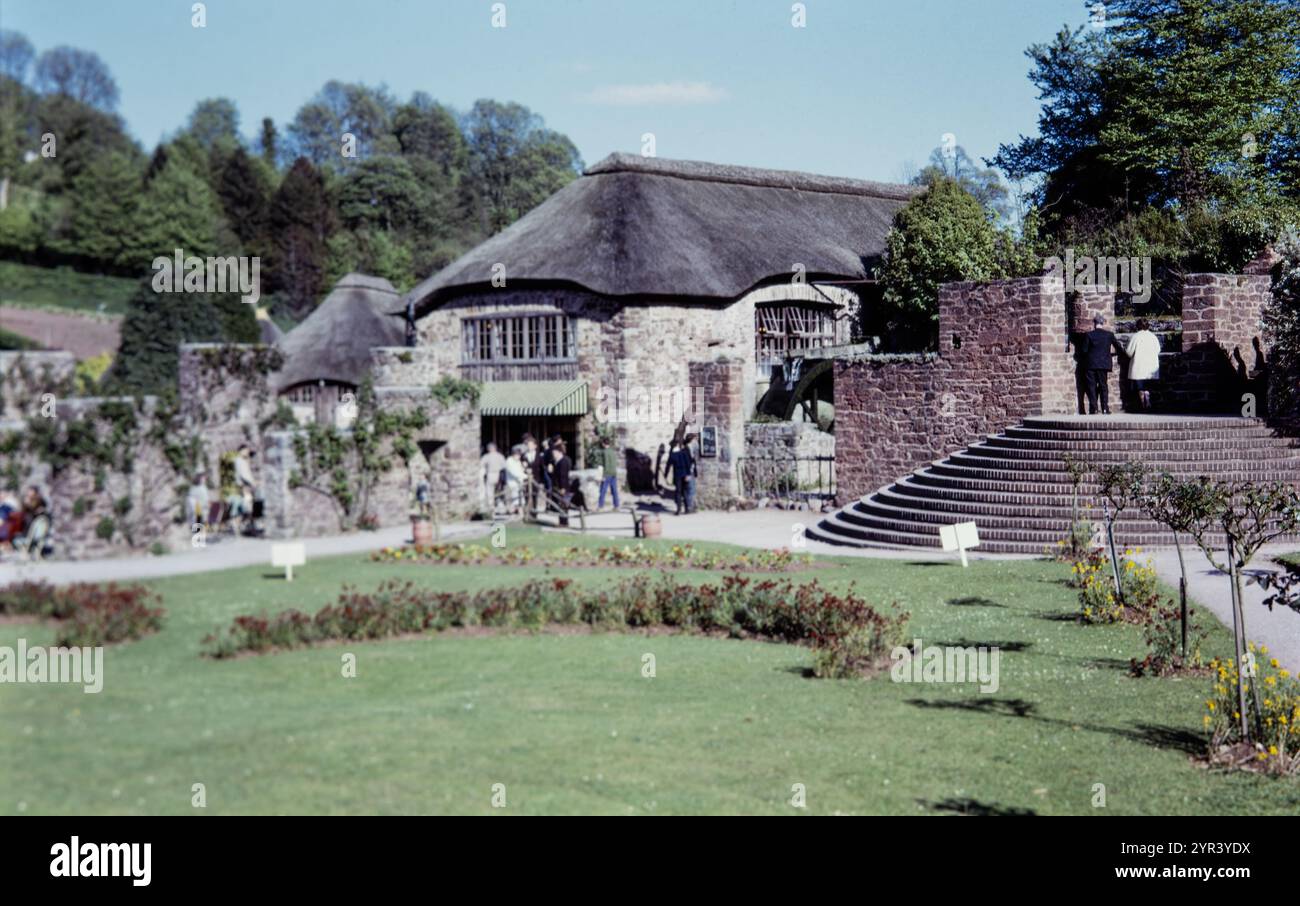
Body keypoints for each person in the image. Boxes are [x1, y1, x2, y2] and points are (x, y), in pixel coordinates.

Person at [1083, 314, 1125, 415]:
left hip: (1091, 364)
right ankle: (1105, 408)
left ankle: (1093, 409)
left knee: (1092, 386)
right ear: (1103, 323)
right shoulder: (1109, 335)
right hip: (1104, 364)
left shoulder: (1089, 335)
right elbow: (1118, 347)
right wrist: (1113, 354)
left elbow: (1084, 350)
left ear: (1094, 323)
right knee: (1103, 386)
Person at [1125, 317, 1161, 411]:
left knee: (1140, 387)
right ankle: (1148, 401)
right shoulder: (1153, 337)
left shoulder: (1135, 337)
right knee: (1147, 387)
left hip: (1139, 366)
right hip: (1151, 367)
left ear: (1138, 326)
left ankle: (1142, 403)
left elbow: (1129, 352)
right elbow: (1158, 350)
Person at [665, 439, 695, 515]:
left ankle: (678, 509)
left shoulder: (672, 454)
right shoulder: (684, 452)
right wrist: (688, 474)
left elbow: (668, 465)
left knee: (678, 492)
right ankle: (687, 508)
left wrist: (666, 474)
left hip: (677, 475)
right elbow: (688, 463)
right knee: (684, 491)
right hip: (685, 474)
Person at [550, 442, 573, 526]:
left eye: (554, 453)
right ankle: (562, 521)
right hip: (559, 486)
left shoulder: (563, 462)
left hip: (563, 487)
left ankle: (564, 522)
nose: (553, 454)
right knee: (561, 505)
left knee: (564, 505)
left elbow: (563, 476)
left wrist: (563, 488)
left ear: (559, 452)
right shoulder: (557, 462)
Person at [480, 442, 506, 512]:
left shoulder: (487, 456)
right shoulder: (500, 456)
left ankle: (491, 506)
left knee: (490, 490)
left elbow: (481, 464)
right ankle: (499, 505)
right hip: (498, 473)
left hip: (491, 474)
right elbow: (504, 465)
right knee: (498, 490)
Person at [597, 435, 620, 510]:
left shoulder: (605, 452)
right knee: (614, 490)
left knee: (602, 491)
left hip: (607, 474)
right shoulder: (612, 451)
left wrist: (603, 475)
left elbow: (606, 464)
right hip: (614, 473)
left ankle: (601, 507)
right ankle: (616, 506)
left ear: (603, 443)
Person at [504, 446, 526, 514]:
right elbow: (514, 473)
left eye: (519, 455)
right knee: (516, 499)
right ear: (513, 454)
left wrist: (524, 468)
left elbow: (521, 470)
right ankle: (515, 513)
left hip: (519, 483)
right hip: (513, 483)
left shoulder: (518, 461)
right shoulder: (509, 461)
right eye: (517, 455)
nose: (519, 457)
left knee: (520, 499)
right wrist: (526, 476)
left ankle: (519, 514)